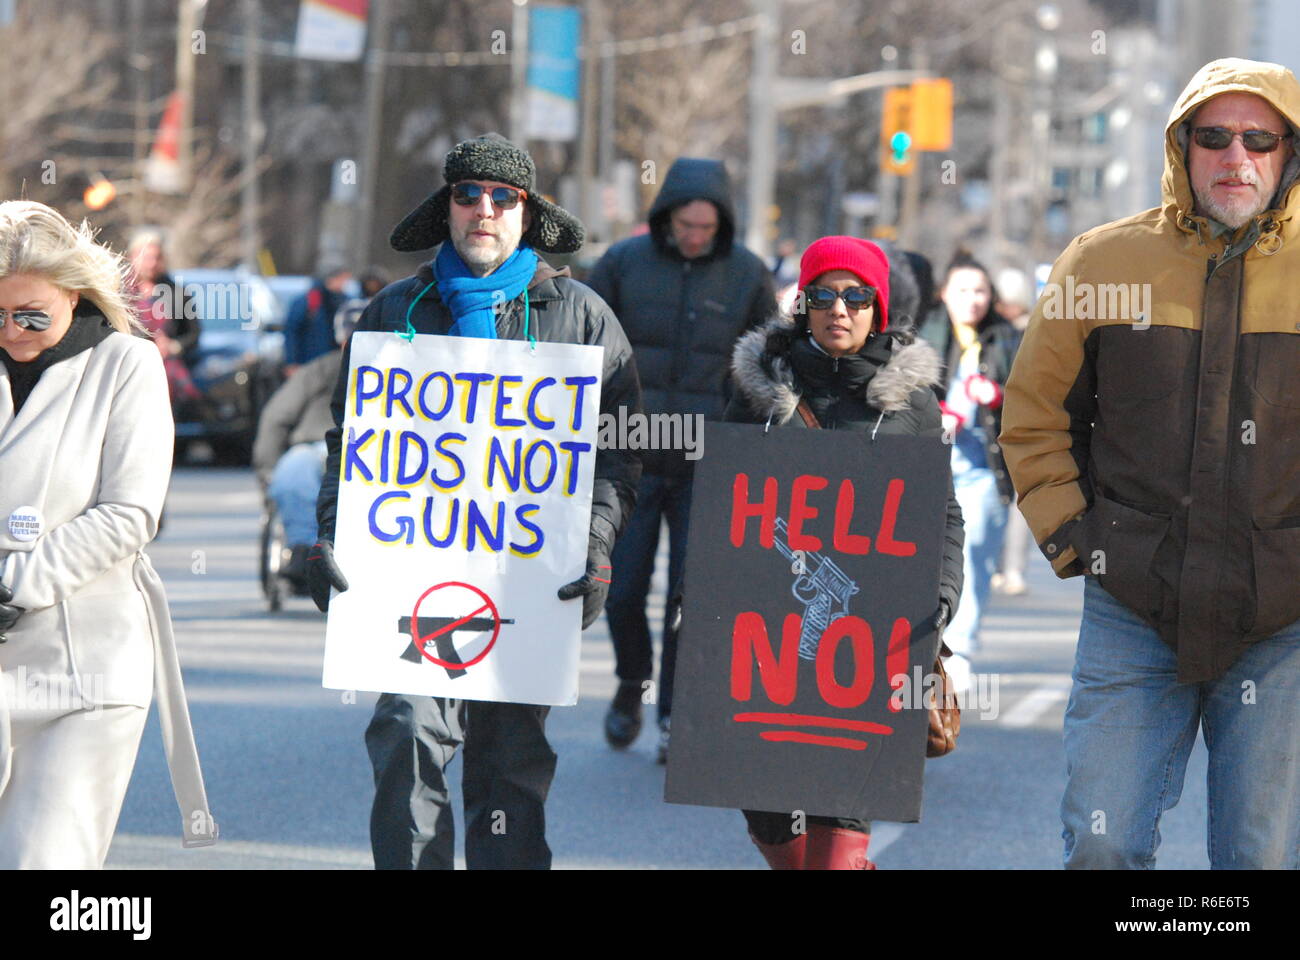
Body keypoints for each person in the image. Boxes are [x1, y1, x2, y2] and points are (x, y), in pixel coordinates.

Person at [308, 133, 642, 870]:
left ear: (528, 213)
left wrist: (593, 546)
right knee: (404, 736)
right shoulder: (394, 312)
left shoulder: (582, 319)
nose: (483, 210)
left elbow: (617, 459)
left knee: (508, 773)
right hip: (410, 583)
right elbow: (349, 447)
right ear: (446, 208)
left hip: (527, 581)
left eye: (503, 197)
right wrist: (331, 537)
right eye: (467, 194)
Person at [1000, 57, 1300, 869]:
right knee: (1101, 844)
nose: (1235, 157)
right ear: (1182, 146)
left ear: (1288, 152)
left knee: (1259, 857)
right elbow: (1032, 417)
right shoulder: (1100, 263)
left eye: (1259, 138)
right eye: (1213, 136)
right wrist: (1073, 538)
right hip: (1131, 606)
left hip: (1284, 622)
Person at [722, 236, 965, 869]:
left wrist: (937, 602)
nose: (840, 309)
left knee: (841, 812)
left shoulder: (911, 404)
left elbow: (942, 513)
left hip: (869, 639)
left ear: (877, 309)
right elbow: (722, 496)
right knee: (769, 809)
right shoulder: (758, 390)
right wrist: (708, 594)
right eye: (824, 295)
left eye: (857, 297)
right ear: (803, 304)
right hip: (764, 633)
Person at [0, 201, 216, 868]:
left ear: (74, 292)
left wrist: (15, 581)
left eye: (32, 314)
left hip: (85, 667)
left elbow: (129, 511)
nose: (13, 332)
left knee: (45, 860)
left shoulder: (126, 364)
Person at [587, 157, 775, 761]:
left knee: (691, 596)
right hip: (629, 456)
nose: (695, 235)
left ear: (722, 224)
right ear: (666, 217)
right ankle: (629, 683)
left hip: (708, 461)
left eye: (706, 226)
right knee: (620, 589)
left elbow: (768, 363)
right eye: (686, 224)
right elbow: (583, 344)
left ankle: (674, 714)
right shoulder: (621, 263)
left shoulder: (747, 274)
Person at [916, 254, 1020, 692]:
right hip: (930, 464)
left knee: (973, 555)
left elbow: (1033, 396)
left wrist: (997, 396)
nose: (972, 300)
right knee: (921, 558)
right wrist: (933, 412)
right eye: (962, 290)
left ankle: (959, 650)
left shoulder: (1005, 339)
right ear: (944, 293)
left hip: (983, 467)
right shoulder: (923, 334)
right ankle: (917, 647)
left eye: (980, 291)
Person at [253, 300, 366, 592]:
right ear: (341, 336)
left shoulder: (398, 373)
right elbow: (276, 417)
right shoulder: (319, 371)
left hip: (373, 453)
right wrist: (267, 471)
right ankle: (303, 552)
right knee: (296, 469)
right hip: (317, 447)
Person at [126, 230, 202, 415]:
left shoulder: (177, 293)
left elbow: (193, 334)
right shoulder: (119, 292)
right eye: (146, 257)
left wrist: (173, 347)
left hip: (168, 372)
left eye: (157, 258)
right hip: (130, 368)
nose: (152, 263)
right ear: (133, 257)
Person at [283, 261, 352, 376]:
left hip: (335, 363)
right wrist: (291, 362)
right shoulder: (310, 301)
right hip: (309, 363)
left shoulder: (345, 301)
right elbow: (291, 332)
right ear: (330, 278)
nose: (344, 283)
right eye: (342, 279)